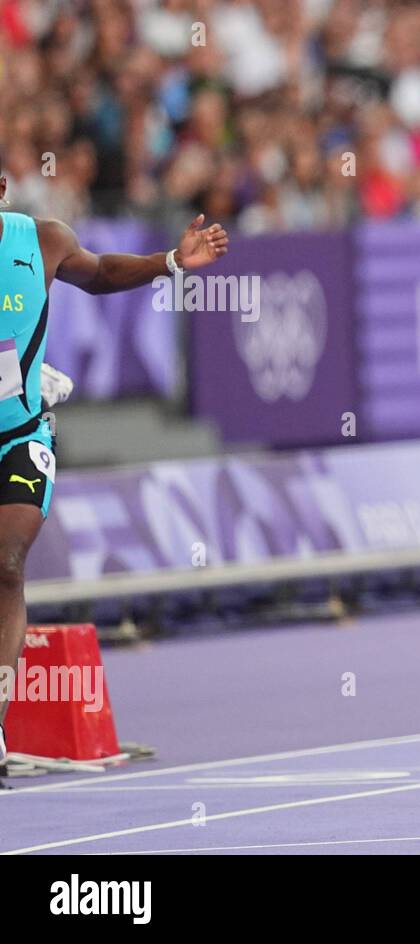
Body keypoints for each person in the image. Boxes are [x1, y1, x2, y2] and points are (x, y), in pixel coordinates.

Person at [0, 150, 229, 772]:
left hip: (19, 435)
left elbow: (100, 272)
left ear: (1, 189)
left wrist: (175, 261)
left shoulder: (41, 239)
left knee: (8, 559)